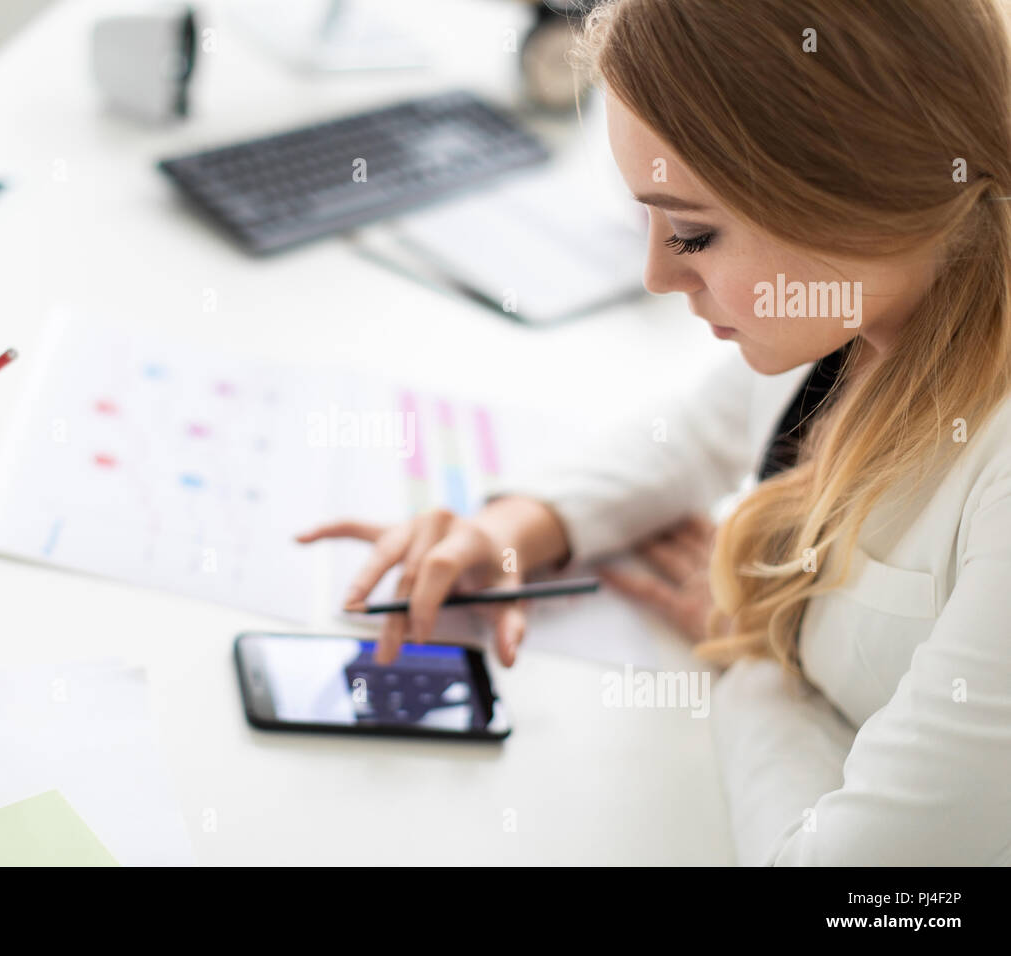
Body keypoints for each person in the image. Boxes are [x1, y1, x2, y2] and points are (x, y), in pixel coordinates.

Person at [299, 0, 1011, 865]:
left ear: (855, 194)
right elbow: (701, 428)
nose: (655, 274)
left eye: (692, 233)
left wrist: (756, 650)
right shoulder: (863, 306)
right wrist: (520, 528)